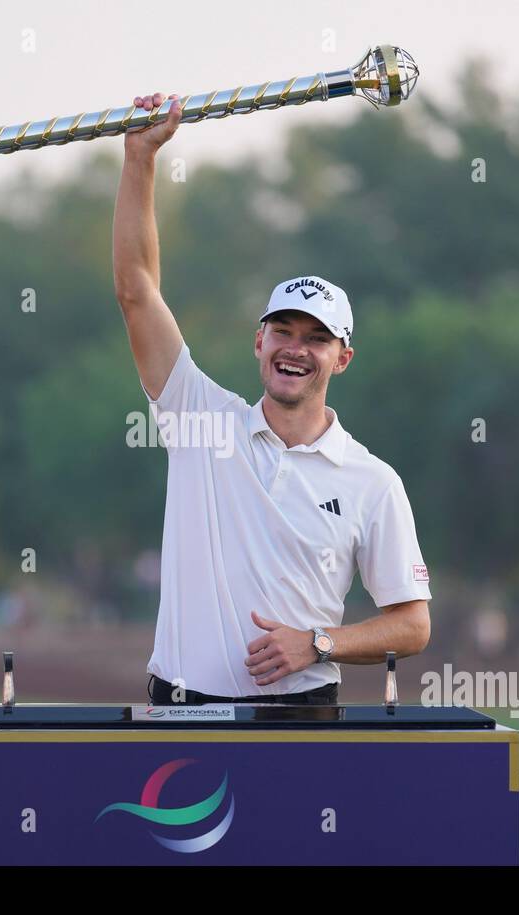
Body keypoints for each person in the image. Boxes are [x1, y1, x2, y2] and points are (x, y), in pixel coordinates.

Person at [115, 92, 432, 706]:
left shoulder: (373, 480)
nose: (296, 348)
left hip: (298, 719)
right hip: (180, 712)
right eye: (283, 331)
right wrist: (140, 159)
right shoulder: (199, 418)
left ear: (342, 359)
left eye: (317, 338)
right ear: (258, 341)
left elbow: (413, 623)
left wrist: (317, 643)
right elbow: (136, 290)